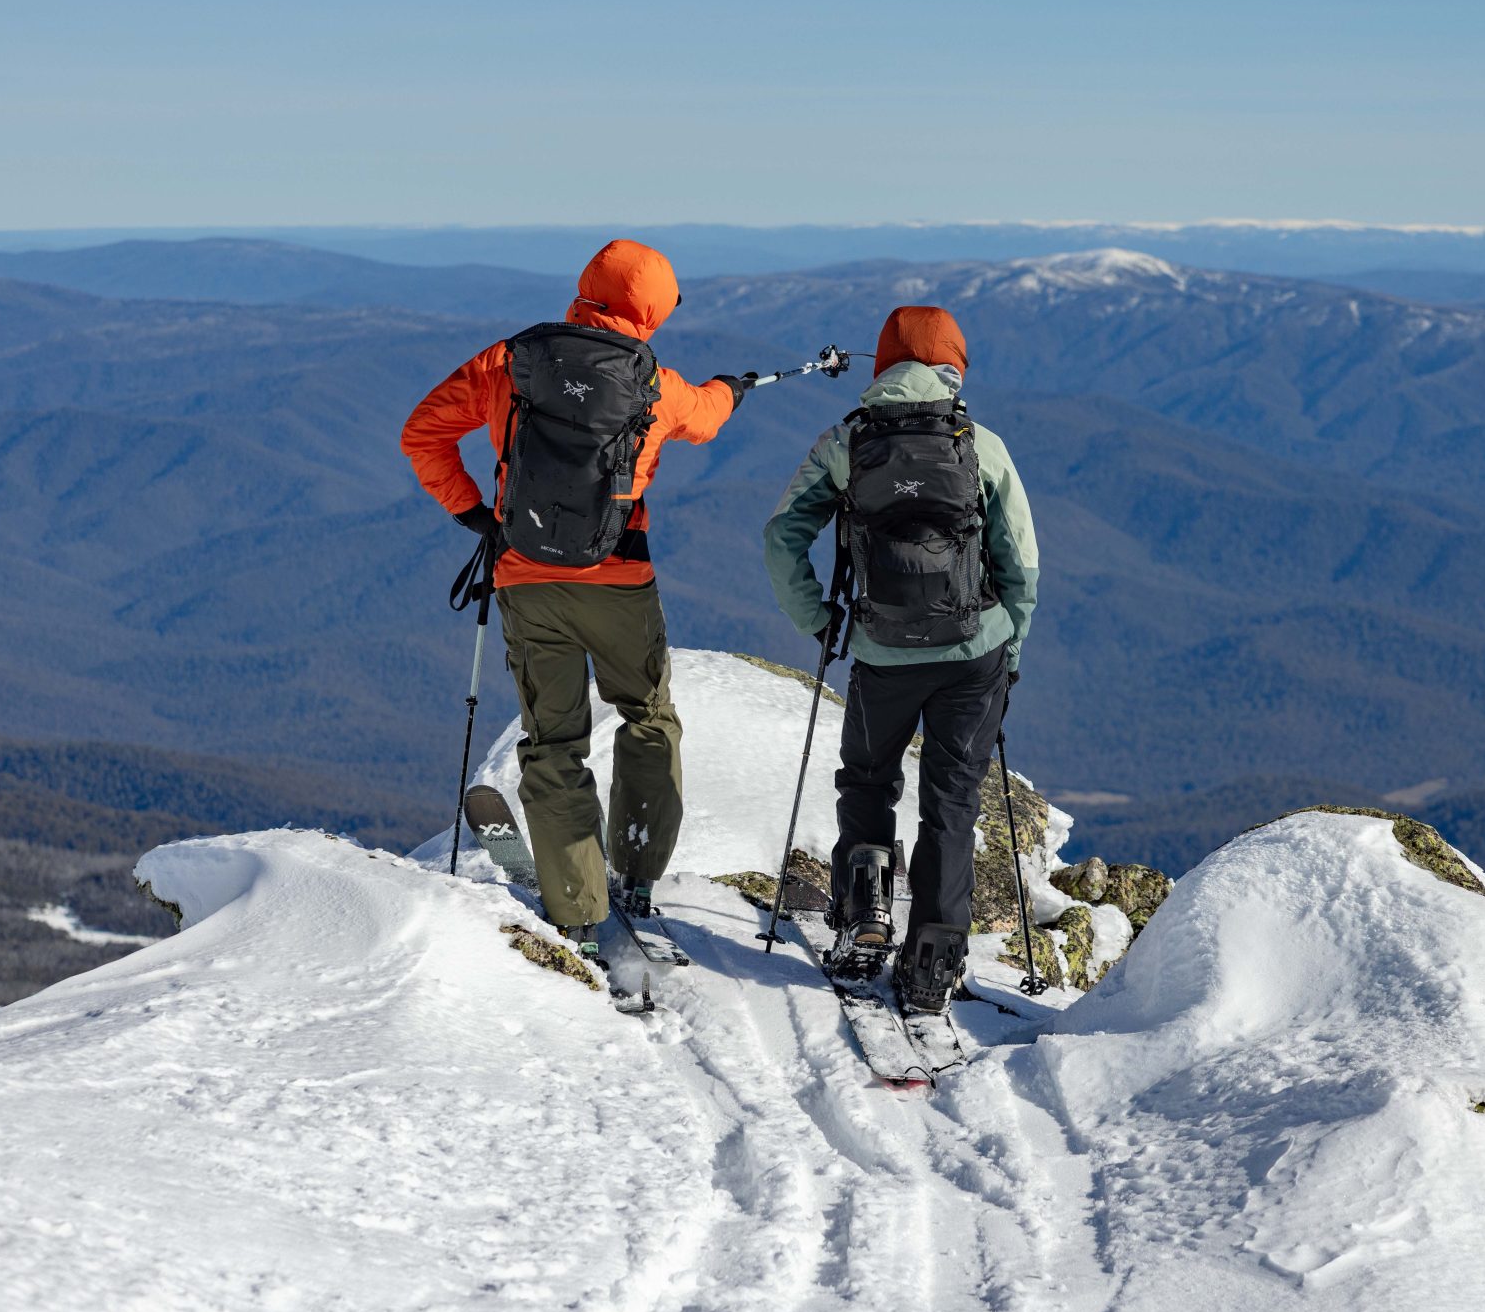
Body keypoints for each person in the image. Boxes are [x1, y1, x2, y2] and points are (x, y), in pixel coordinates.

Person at [402, 239, 753, 955]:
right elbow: (709, 418)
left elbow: (423, 434)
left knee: (553, 742)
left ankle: (576, 905)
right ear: (652, 309)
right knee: (649, 718)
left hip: (525, 577)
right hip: (620, 582)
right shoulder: (655, 384)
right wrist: (731, 389)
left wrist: (476, 514)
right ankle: (638, 872)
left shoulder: (512, 361)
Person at [761, 305, 1039, 1015]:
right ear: (953, 366)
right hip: (973, 653)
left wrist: (820, 623)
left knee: (867, 779)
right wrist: (1011, 647)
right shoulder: (980, 444)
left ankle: (865, 920)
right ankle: (933, 961)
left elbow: (782, 537)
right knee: (951, 802)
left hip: (882, 652)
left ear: (883, 364)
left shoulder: (847, 441)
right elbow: (1021, 564)